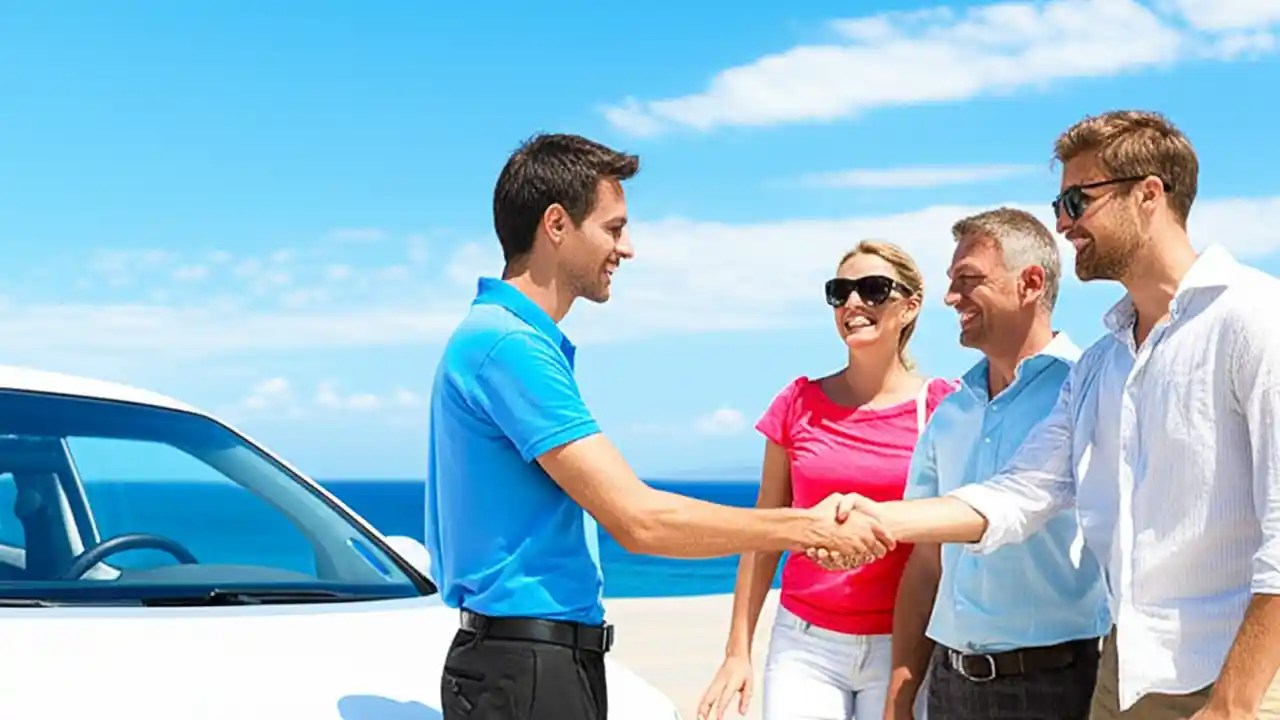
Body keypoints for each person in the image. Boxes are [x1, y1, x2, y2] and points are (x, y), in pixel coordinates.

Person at [816, 110, 1280, 719]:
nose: (1062, 223)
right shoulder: (1101, 365)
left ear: (1148, 195)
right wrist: (878, 516)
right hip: (1125, 675)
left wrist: (1235, 703)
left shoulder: (1254, 319)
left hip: (1235, 679)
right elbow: (1019, 493)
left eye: (1076, 199)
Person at [425, 132, 894, 720]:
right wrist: (808, 529)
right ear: (556, 225)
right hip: (527, 670)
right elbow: (639, 521)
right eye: (614, 228)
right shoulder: (508, 344)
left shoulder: (505, 339)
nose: (626, 249)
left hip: (532, 663)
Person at [697, 240, 958, 720]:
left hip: (901, 648)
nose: (853, 304)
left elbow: (952, 539)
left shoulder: (943, 408)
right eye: (840, 292)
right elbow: (763, 534)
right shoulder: (797, 403)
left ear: (911, 305)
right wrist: (738, 651)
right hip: (804, 644)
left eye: (873, 290)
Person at [883, 208, 1111, 720]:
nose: (950, 298)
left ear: (1030, 283)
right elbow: (925, 564)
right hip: (948, 686)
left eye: (969, 280)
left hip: (1055, 689)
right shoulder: (952, 411)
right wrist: (901, 694)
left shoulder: (1091, 391)